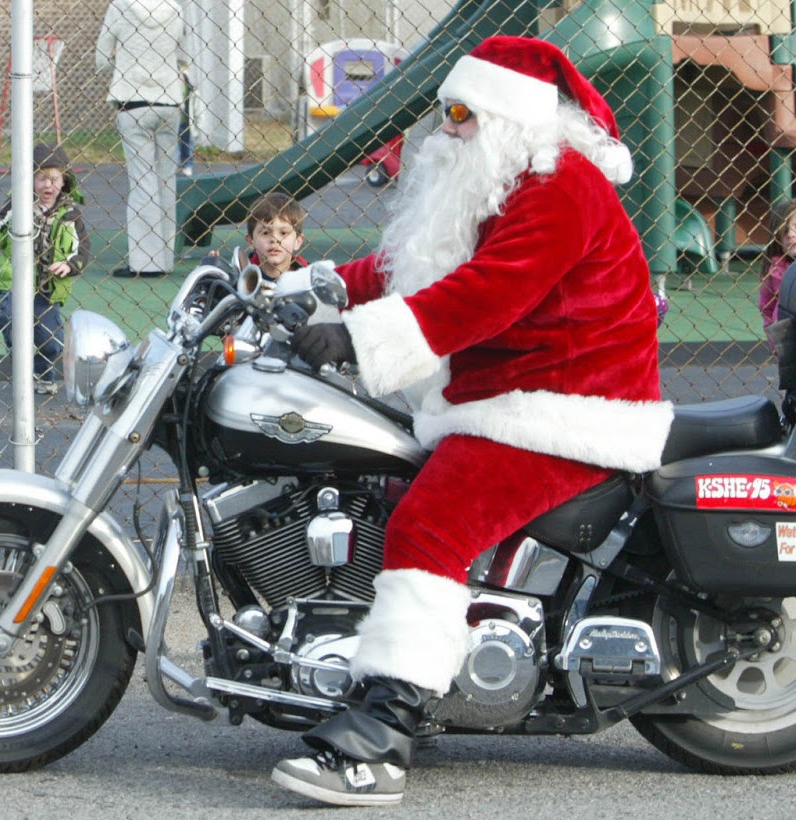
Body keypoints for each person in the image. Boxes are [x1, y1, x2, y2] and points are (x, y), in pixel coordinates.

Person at [271, 36, 672, 806]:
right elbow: (418, 267)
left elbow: (488, 291)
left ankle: (384, 734)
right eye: (444, 113)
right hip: (504, 395)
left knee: (430, 524)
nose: (444, 132)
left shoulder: (561, 186)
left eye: (460, 115)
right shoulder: (501, 181)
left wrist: (354, 336)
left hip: (563, 405)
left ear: (510, 118)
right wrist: (308, 289)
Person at [0, 142, 91, 396]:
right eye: (40, 178)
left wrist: (69, 265)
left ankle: (42, 373)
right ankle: (21, 362)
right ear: (29, 180)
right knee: (8, 315)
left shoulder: (70, 215)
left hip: (47, 285)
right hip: (16, 279)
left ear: (64, 182)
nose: (47, 185)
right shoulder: (18, 205)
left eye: (54, 179)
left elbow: (82, 248)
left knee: (50, 341)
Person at [96, 0, 188, 278]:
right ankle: (165, 258)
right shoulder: (175, 8)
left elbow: (101, 58)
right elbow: (184, 54)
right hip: (170, 102)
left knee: (142, 183)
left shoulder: (120, 6)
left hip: (133, 101)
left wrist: (121, 63)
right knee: (165, 182)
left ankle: (145, 263)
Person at [244, 192, 308, 283]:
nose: (274, 239)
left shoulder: (309, 277)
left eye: (283, 233)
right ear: (251, 241)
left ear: (298, 241)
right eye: (265, 233)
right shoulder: (240, 277)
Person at [757, 199, 796, 343]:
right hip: (789, 345)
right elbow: (767, 308)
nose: (791, 235)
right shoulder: (774, 271)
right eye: (784, 231)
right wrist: (775, 341)